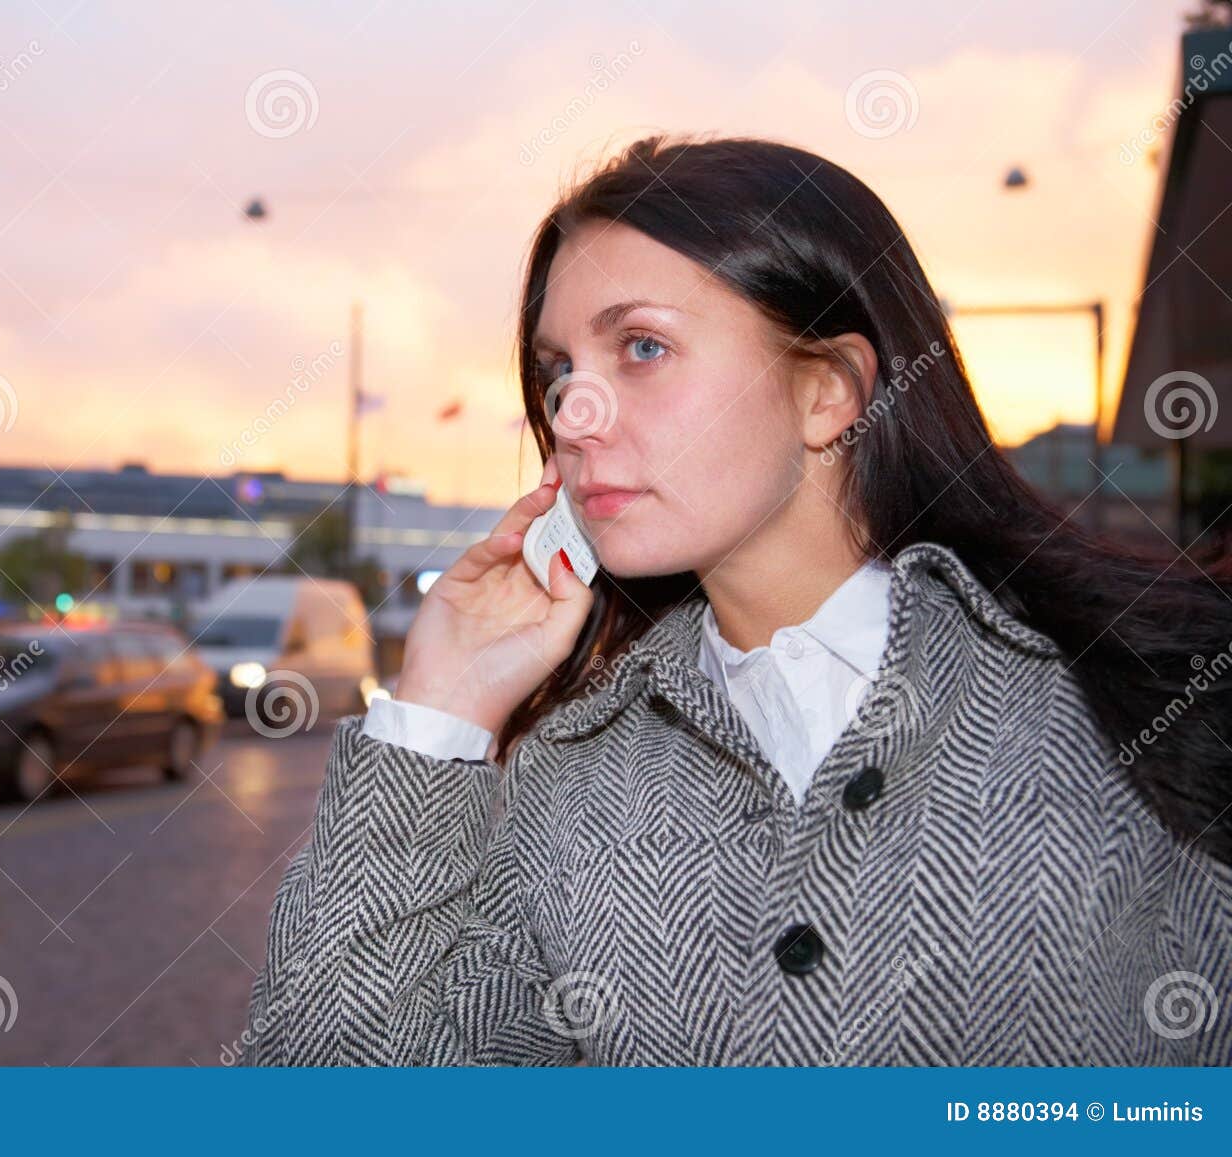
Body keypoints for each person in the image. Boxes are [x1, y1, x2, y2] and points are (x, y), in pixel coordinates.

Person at [238, 134, 1232, 1065]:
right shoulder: (567, 782)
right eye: (557, 372)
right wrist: (439, 709)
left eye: (640, 347)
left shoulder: (1145, 688)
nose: (573, 415)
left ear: (827, 390)